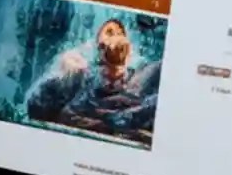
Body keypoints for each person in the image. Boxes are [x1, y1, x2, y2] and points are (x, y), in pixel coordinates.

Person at [27, 19, 161, 144]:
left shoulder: (139, 74)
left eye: (120, 34)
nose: (115, 37)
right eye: (109, 32)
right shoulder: (83, 70)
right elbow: (46, 106)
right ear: (98, 42)